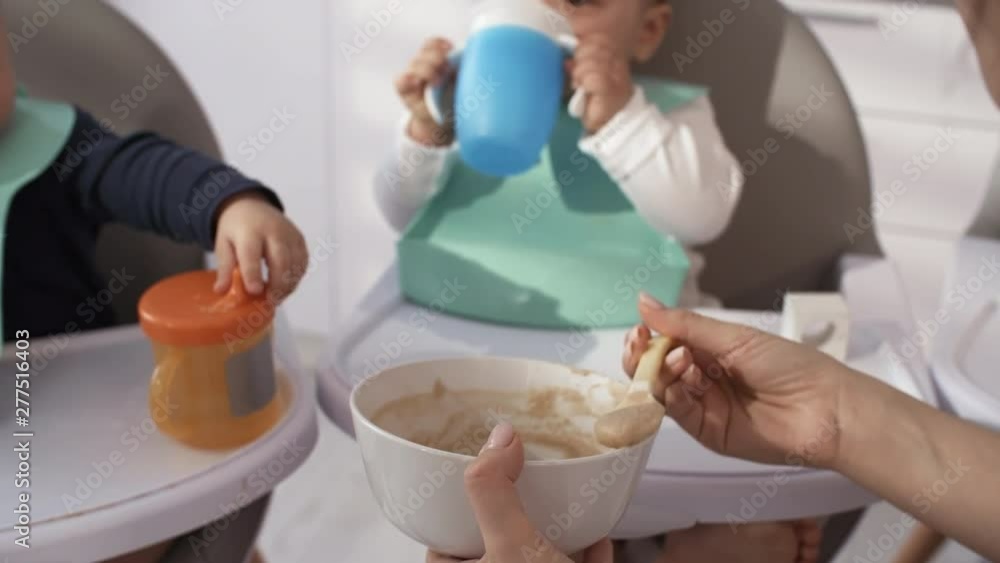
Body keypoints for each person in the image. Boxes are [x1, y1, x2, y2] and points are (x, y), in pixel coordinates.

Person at [1, 17, 306, 563]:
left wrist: (230, 205)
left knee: (140, 531)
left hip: (86, 426)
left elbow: (146, 173)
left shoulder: (56, 146)